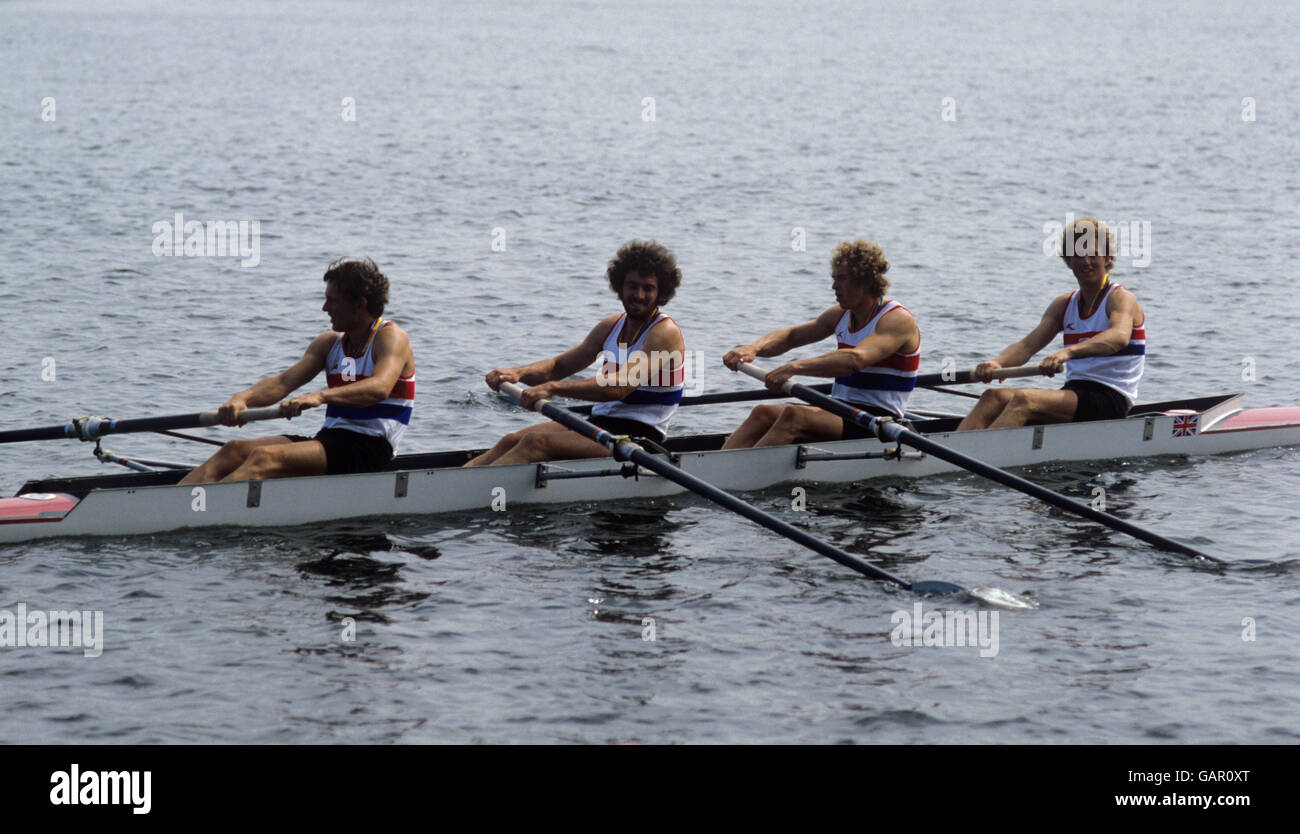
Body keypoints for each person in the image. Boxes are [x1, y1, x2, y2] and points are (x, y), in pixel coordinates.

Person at [179, 257, 415, 483]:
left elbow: (380, 387)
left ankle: (204, 511)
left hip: (371, 447)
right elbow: (283, 382)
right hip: (330, 440)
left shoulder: (390, 337)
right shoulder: (329, 344)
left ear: (360, 304)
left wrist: (319, 396)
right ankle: (179, 504)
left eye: (332, 300)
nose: (325, 308)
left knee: (263, 458)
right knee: (232, 451)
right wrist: (241, 399)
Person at [466, 240, 685, 466]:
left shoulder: (664, 332)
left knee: (535, 443)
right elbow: (559, 367)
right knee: (510, 440)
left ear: (661, 293)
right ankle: (456, 488)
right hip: (601, 423)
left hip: (640, 437)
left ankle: (474, 497)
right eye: (632, 286)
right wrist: (515, 374)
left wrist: (553, 388)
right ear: (620, 286)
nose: (638, 295)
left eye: (648, 288)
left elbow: (620, 386)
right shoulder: (610, 326)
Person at [720, 239, 920, 448]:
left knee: (794, 417)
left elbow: (855, 360)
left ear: (865, 281)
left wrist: (794, 367)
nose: (834, 287)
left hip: (878, 419)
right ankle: (720, 468)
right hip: (841, 409)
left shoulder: (896, 320)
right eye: (834, 278)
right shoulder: (841, 314)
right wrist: (753, 348)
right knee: (763, 412)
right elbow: (791, 336)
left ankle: (744, 474)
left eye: (842, 279)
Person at [957, 216, 1145, 430]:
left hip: (1110, 398)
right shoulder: (1063, 304)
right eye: (1078, 254)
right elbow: (1027, 346)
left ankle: (979, 455)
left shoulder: (1120, 298)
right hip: (1074, 393)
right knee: (992, 396)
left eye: (1093, 254)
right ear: (1068, 260)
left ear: (1107, 256)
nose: (1086, 261)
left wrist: (1066, 353)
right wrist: (998, 363)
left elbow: (1118, 337)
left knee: (1025, 400)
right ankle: (948, 458)